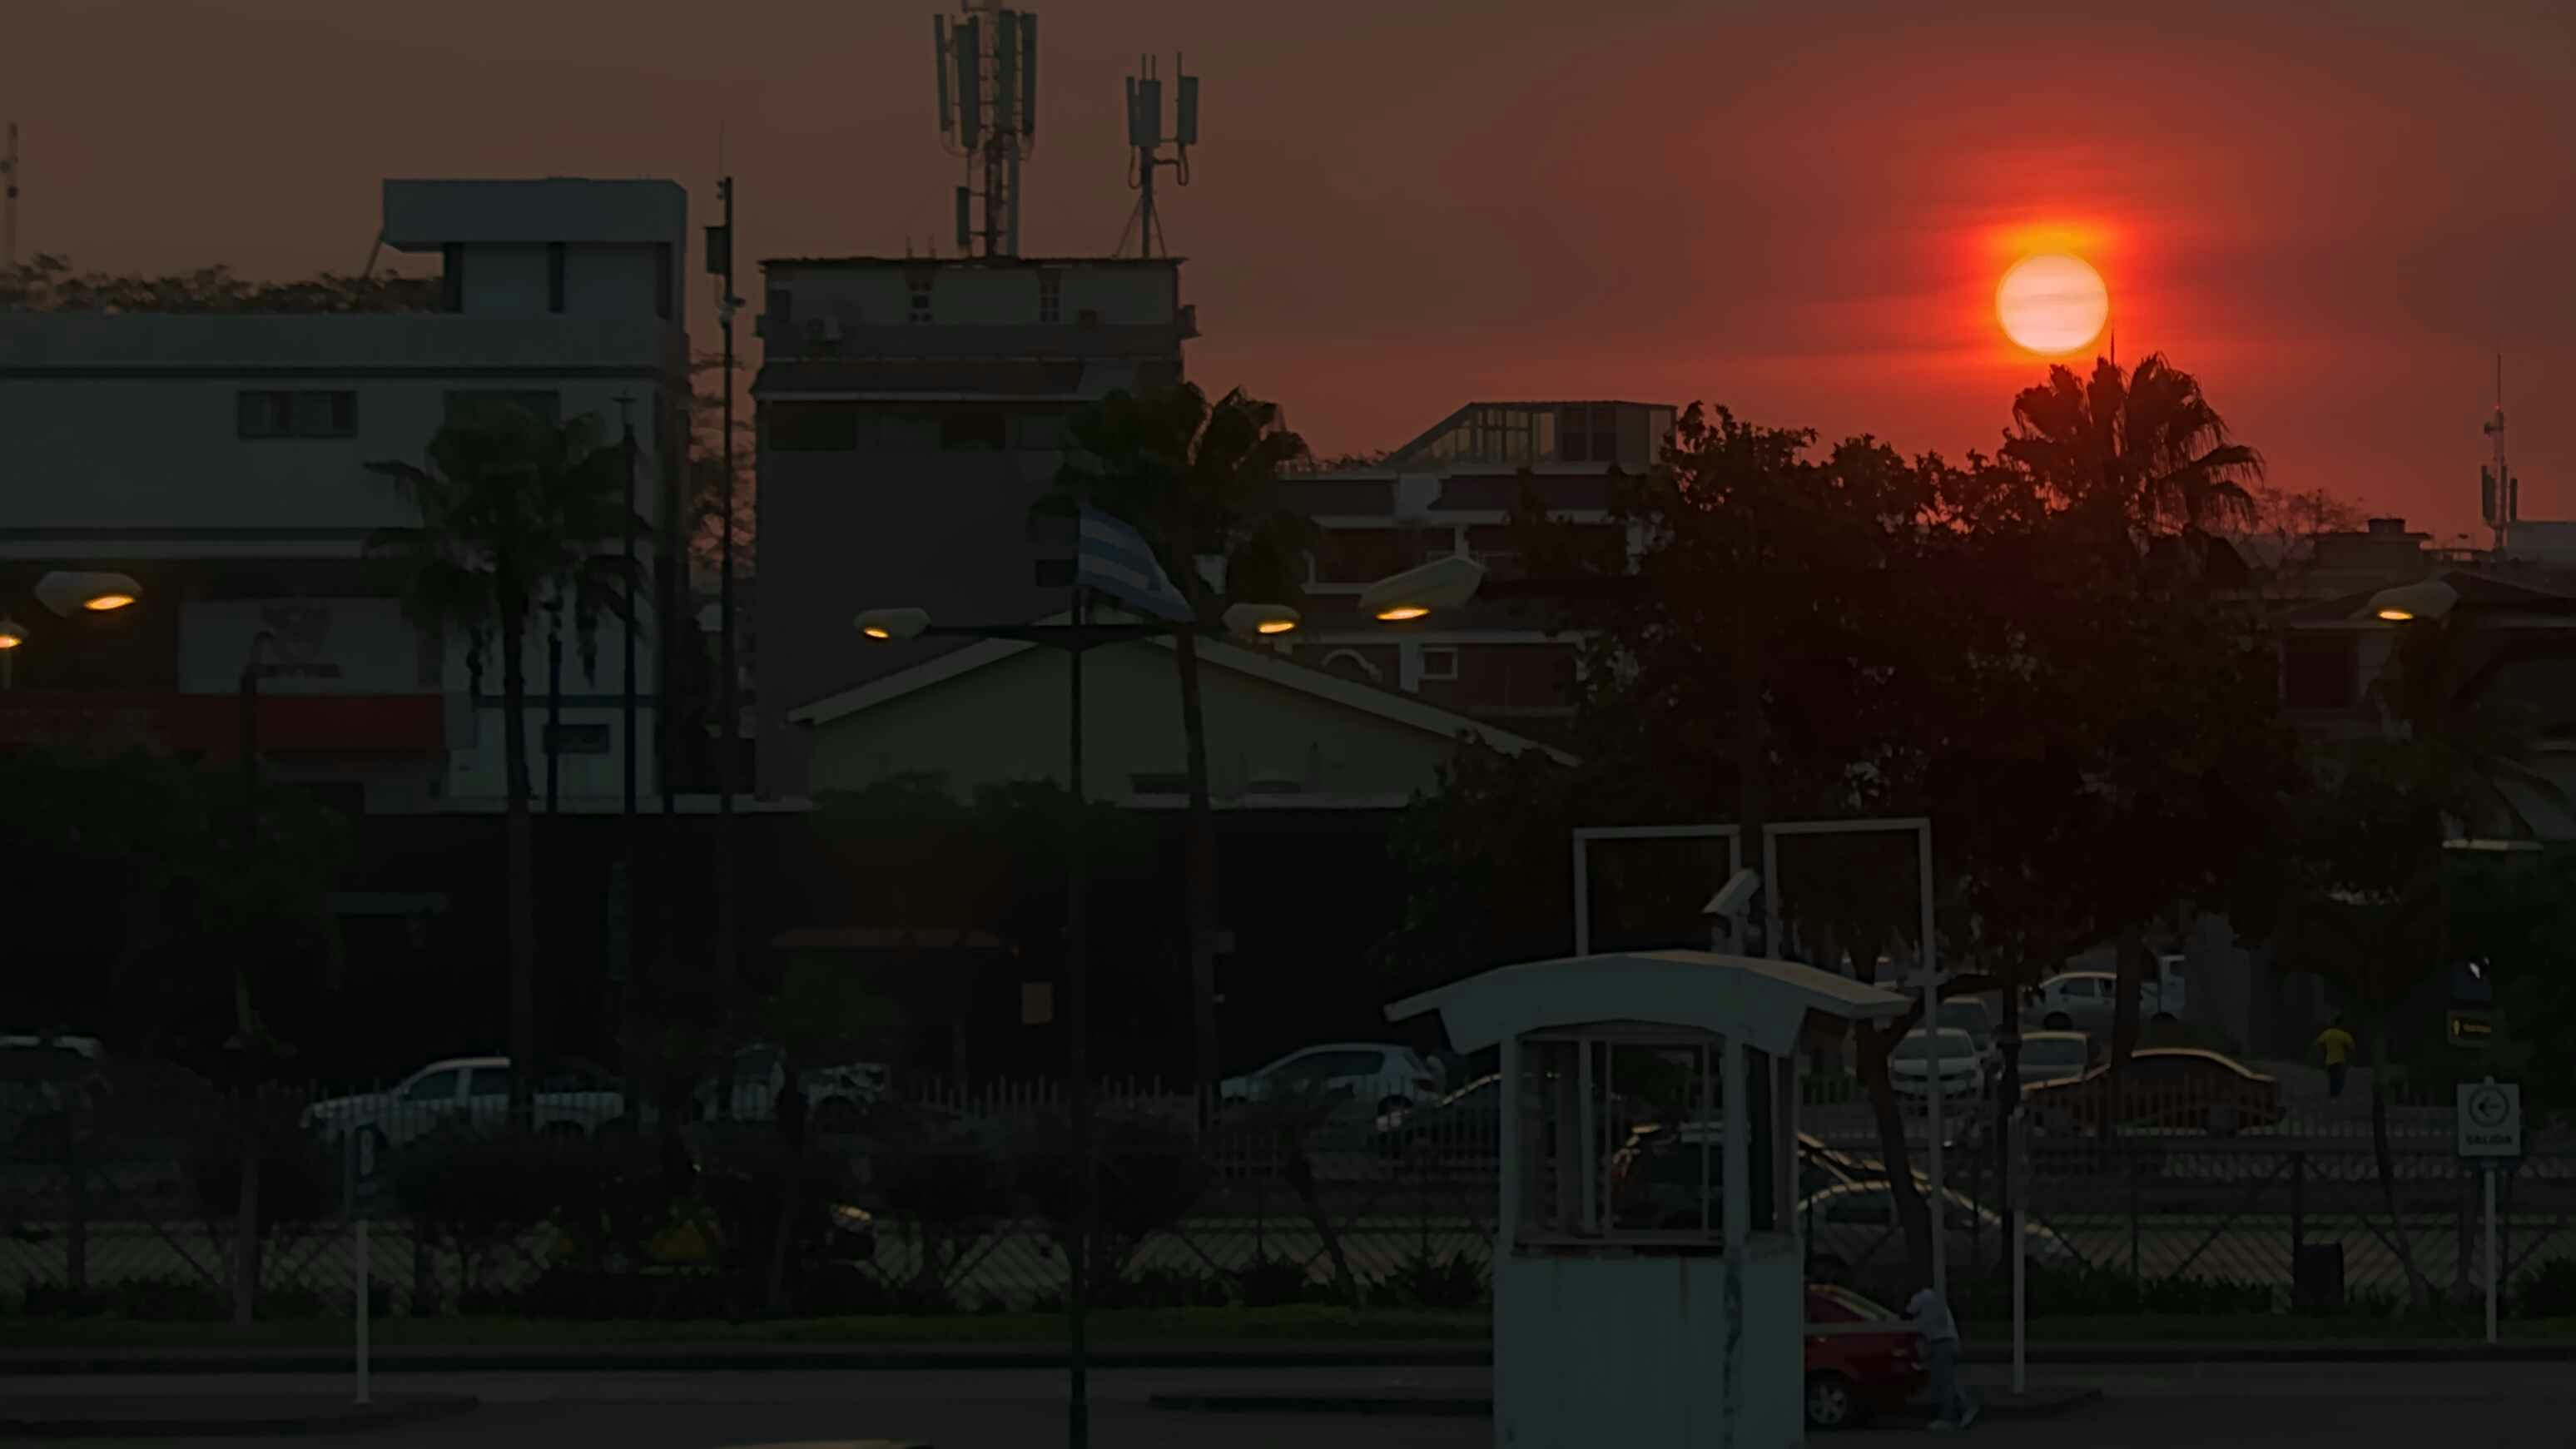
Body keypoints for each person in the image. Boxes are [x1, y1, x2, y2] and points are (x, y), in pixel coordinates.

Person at [1907, 1278, 1978, 1430]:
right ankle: (1966, 1407)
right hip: (1951, 1341)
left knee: (1943, 1383)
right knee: (1949, 1380)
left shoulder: (1921, 1298)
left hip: (1941, 1343)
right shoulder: (1934, 1298)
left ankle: (1948, 1418)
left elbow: (1909, 1314)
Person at [2314, 1015, 2356, 1100]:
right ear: (2341, 1024)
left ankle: (2332, 1094)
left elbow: (2318, 1042)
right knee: (2340, 1078)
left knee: (2332, 1078)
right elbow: (2352, 1046)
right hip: (2340, 1060)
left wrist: (2323, 1051)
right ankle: (2336, 1094)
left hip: (2329, 1059)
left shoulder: (2328, 1033)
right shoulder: (2344, 1034)